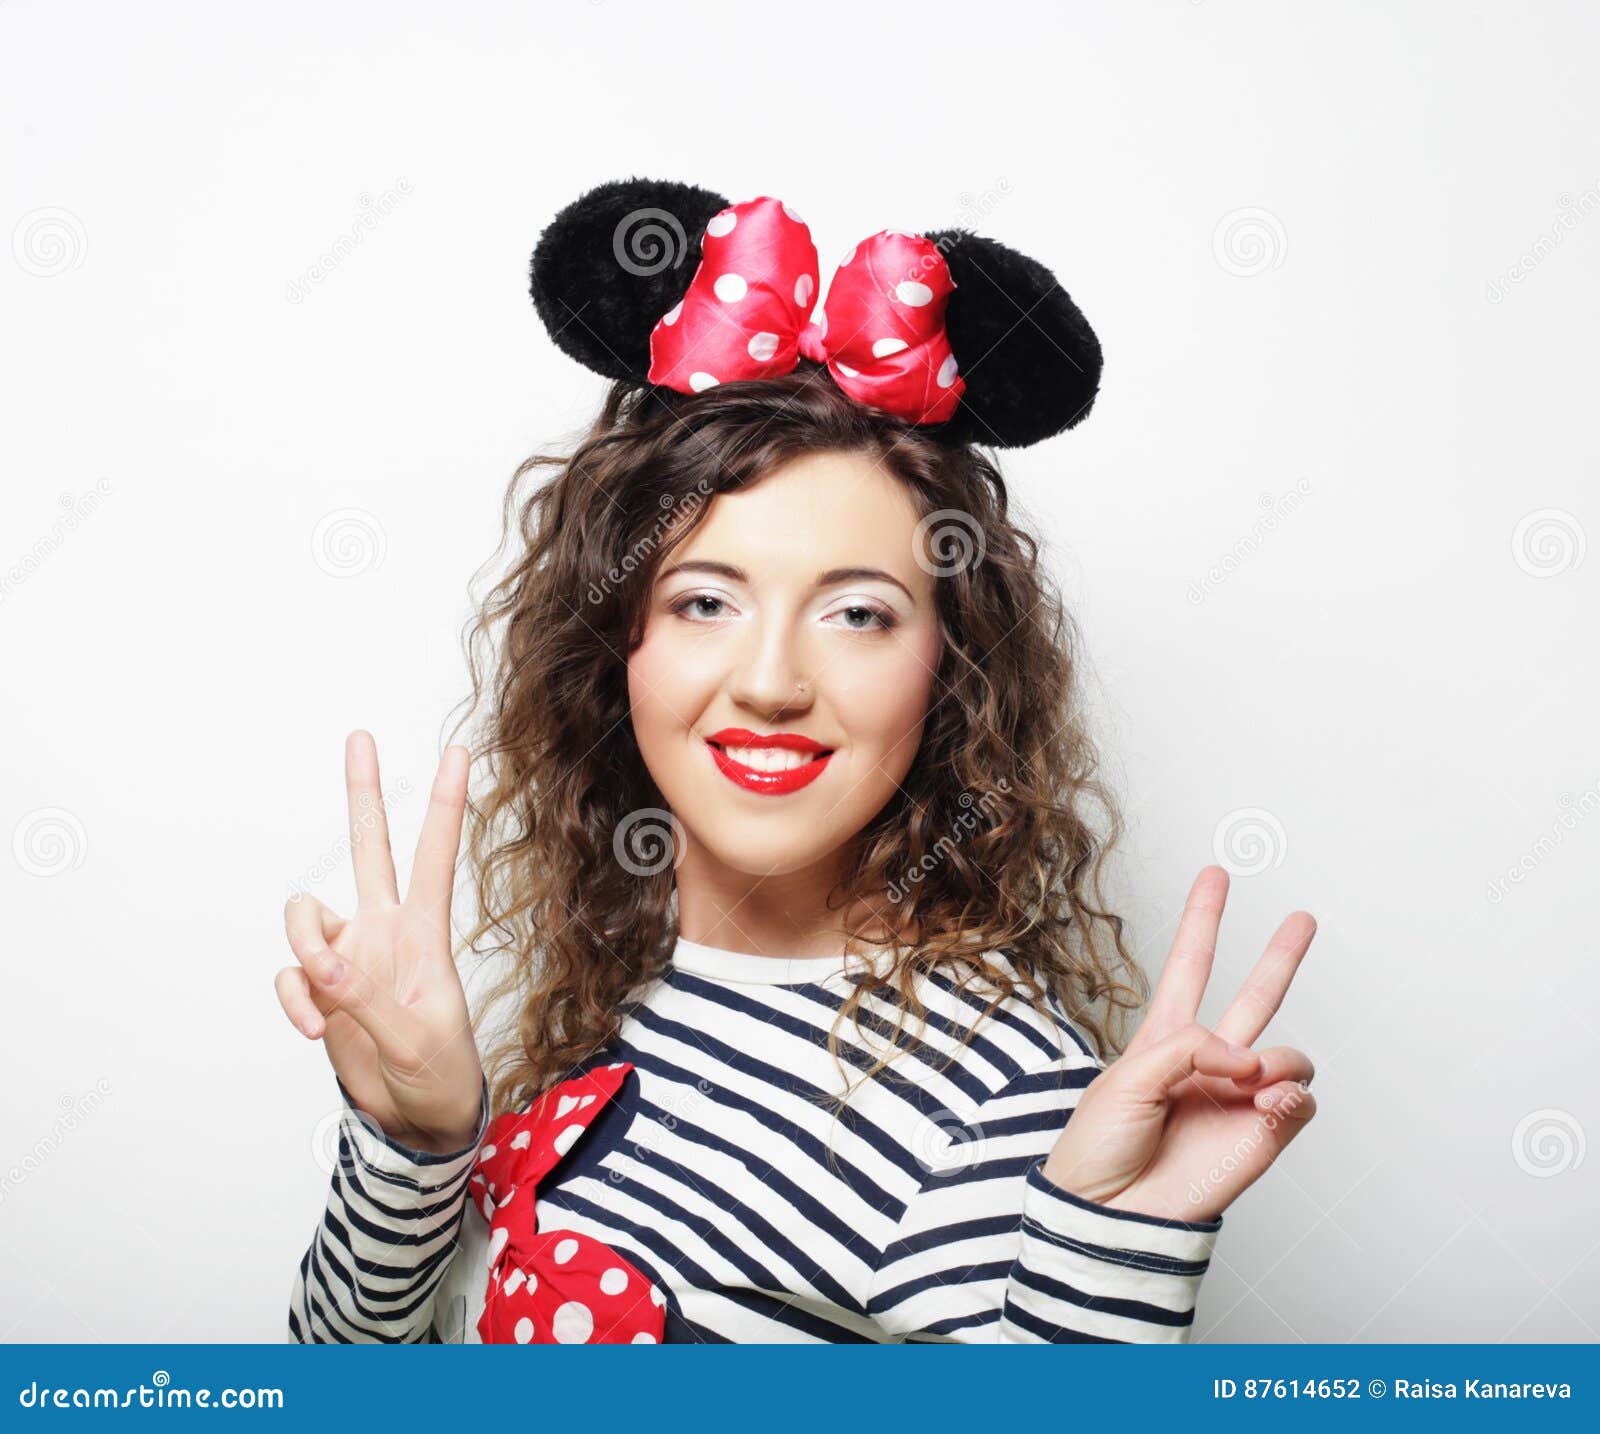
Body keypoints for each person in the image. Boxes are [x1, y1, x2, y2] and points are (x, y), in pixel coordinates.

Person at [278, 181, 1318, 1344]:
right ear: (616, 643)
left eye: (858, 613)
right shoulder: (623, 975)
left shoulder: (995, 1106)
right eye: (706, 599)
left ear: (952, 666)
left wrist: (1102, 1279)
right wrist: (417, 1148)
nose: (770, 679)